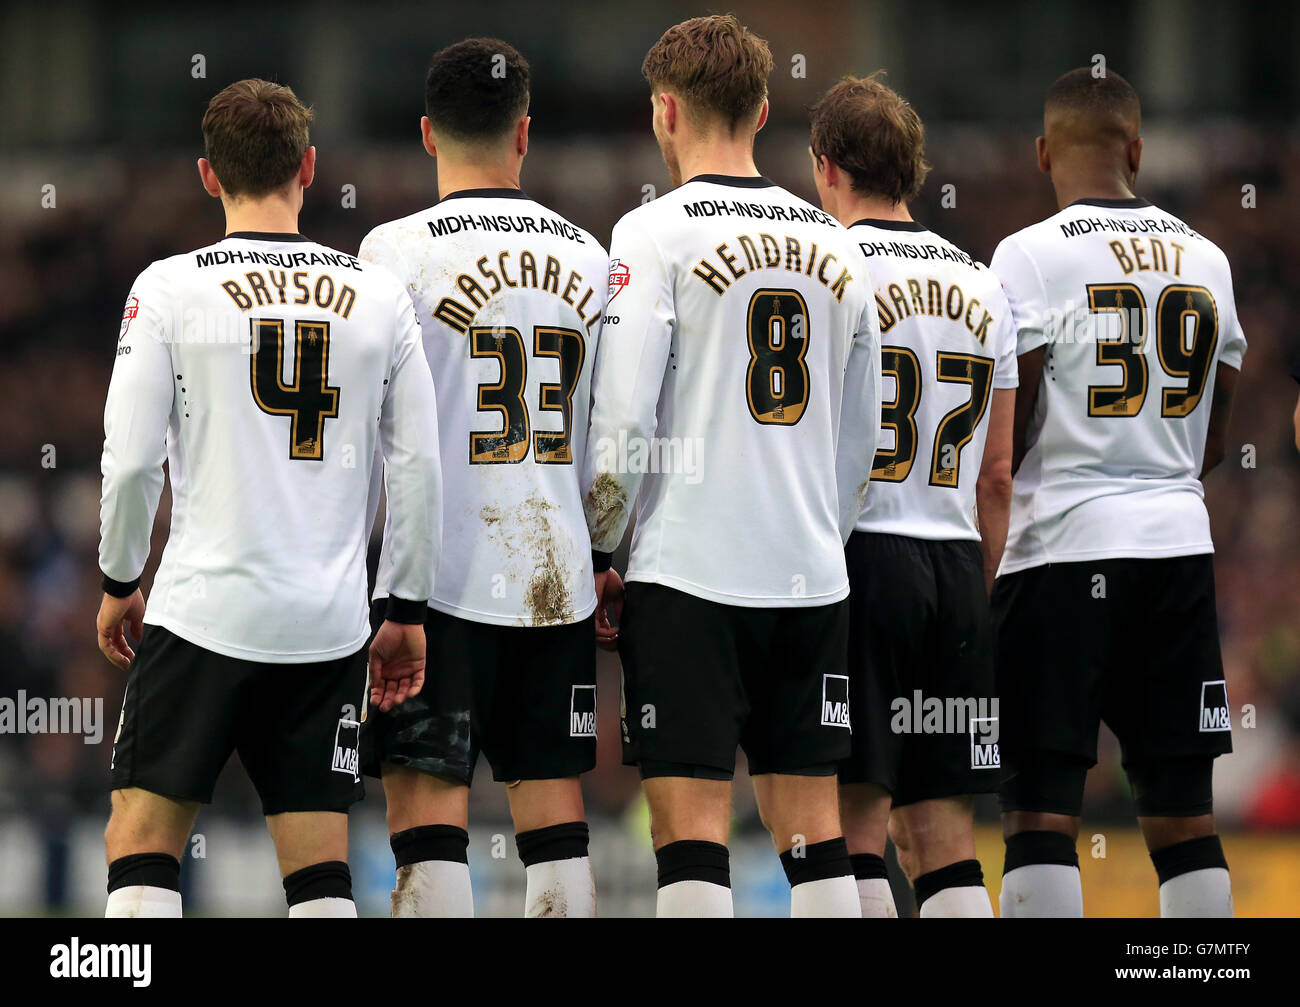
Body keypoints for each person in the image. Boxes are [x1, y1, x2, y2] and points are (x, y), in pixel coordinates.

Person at [96, 79, 441, 918]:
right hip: (325, 624)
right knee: (318, 866)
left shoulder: (169, 287)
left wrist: (117, 579)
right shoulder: (378, 295)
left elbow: (134, 461)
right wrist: (404, 605)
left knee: (140, 842)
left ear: (208, 175)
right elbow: (420, 467)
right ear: (310, 168)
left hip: (203, 612)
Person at [583, 14, 882, 918]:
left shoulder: (651, 232)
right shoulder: (838, 246)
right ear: (760, 110)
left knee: (692, 843)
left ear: (664, 111)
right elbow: (859, 442)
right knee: (811, 838)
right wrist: (818, 533)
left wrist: (604, 544)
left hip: (692, 578)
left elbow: (627, 417)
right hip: (810, 578)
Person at [359, 38, 608, 918]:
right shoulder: (588, 255)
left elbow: (370, 435)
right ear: (525, 133)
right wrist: (605, 551)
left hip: (435, 582)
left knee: (428, 822)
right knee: (555, 819)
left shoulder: (388, 251)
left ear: (428, 134)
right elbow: (610, 435)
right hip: (556, 575)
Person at [990, 67, 1244, 917]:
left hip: (1062, 547)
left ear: (1042, 154)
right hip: (1177, 544)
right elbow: (1216, 433)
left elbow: (1011, 426)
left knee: (1040, 807)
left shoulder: (1029, 254)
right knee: (1184, 813)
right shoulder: (1209, 259)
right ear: (1137, 150)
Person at [809, 72, 1016, 918]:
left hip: (861, 557)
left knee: (851, 825)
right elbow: (998, 476)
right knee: (943, 837)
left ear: (826, 168)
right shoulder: (982, 284)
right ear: (915, 170)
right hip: (956, 563)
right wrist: (980, 584)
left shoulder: (827, 269)